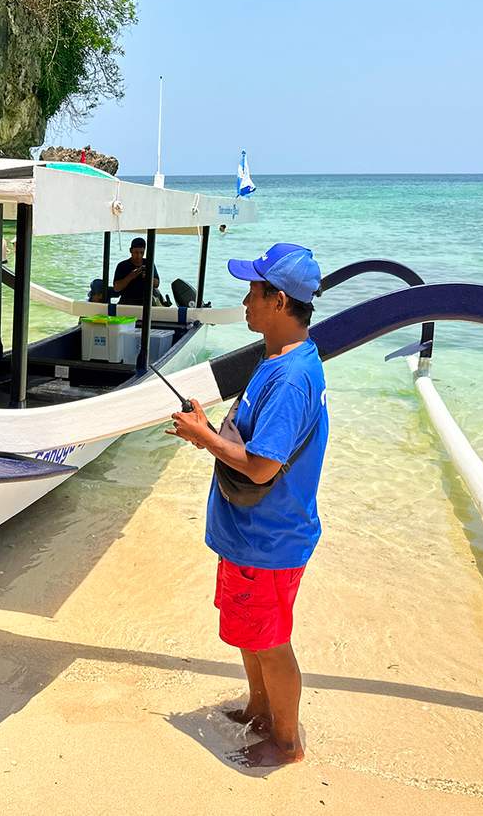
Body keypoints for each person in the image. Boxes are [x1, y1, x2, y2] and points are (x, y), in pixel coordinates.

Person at [167, 242, 329, 769]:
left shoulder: (291, 375)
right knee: (251, 634)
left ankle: (287, 742)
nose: (244, 301)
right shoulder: (277, 358)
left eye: (252, 292)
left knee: (272, 641)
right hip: (252, 534)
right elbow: (258, 445)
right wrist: (209, 430)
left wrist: (202, 439)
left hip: (269, 538)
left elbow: (261, 467)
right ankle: (260, 710)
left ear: (279, 301)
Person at [112, 237, 160, 305]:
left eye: (141, 253)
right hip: (127, 301)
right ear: (130, 250)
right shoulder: (122, 265)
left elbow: (157, 284)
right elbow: (116, 288)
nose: (139, 256)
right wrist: (131, 276)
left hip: (146, 301)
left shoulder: (149, 263)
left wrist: (148, 276)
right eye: (136, 252)